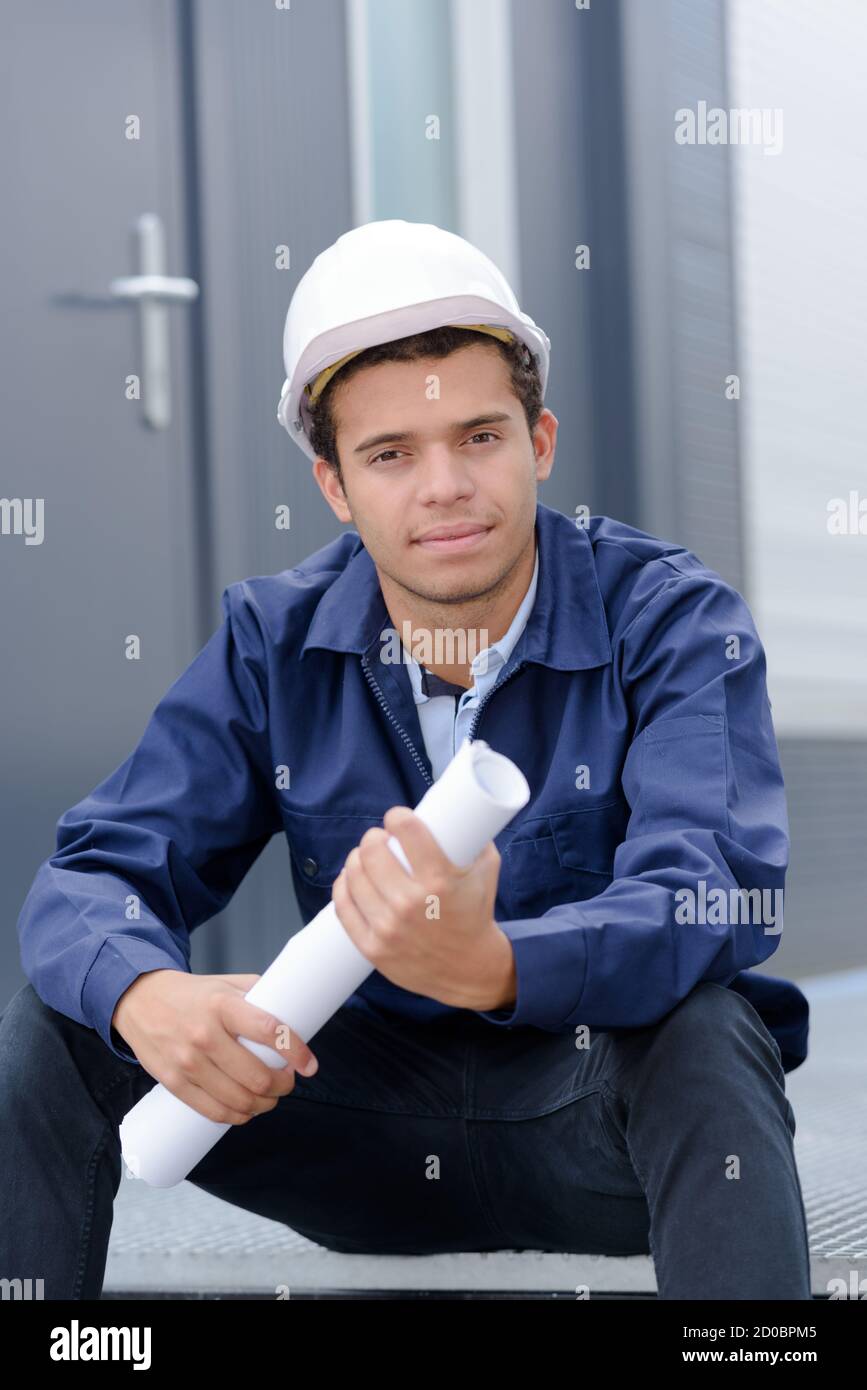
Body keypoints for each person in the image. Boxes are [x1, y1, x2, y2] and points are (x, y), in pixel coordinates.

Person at [0, 220, 811, 1300]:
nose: (445, 486)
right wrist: (146, 993)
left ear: (540, 441)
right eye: (390, 454)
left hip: (597, 1133)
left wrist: (500, 964)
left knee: (710, 1026)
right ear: (334, 485)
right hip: (362, 1136)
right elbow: (96, 873)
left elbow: (713, 892)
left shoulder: (669, 618)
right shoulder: (273, 643)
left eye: (479, 436)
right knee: (68, 1011)